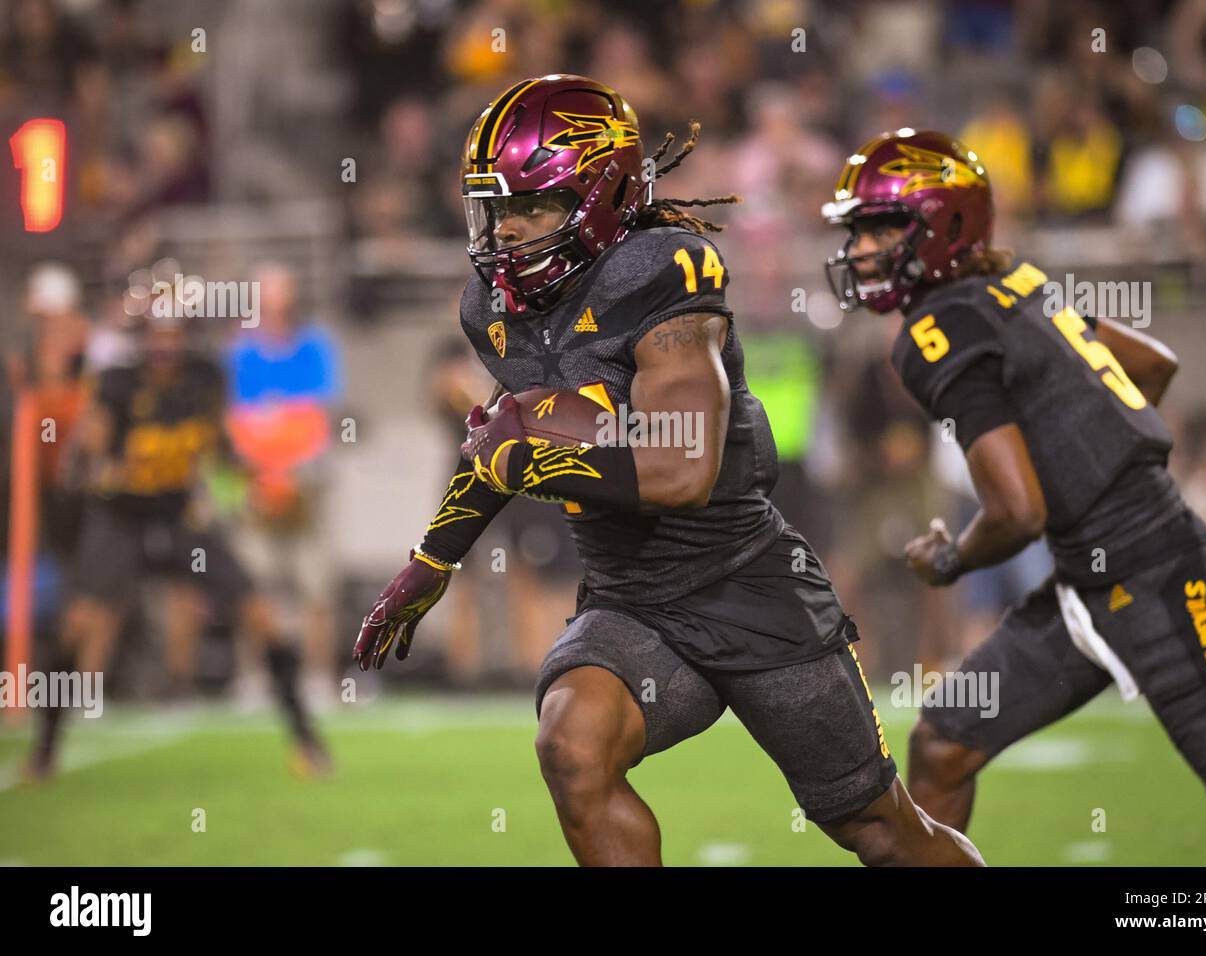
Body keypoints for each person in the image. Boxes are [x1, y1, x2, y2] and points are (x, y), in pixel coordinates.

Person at [351, 75, 982, 867]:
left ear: (600, 196)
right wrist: (431, 562)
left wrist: (536, 453)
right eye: (496, 207)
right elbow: (502, 443)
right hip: (629, 598)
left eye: (531, 207)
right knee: (572, 747)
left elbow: (683, 467)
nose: (506, 231)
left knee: (879, 829)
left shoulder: (661, 273)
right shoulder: (493, 305)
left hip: (745, 585)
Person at [821, 129, 1206, 850]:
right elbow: (1153, 365)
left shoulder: (937, 327)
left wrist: (952, 557)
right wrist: (1086, 453)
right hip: (1090, 581)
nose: (861, 249)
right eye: (857, 230)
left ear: (944, 225)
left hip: (1155, 574)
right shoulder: (1015, 286)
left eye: (881, 226)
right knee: (943, 745)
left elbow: (1015, 513)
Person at [24, 307, 329, 780]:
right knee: (78, 624)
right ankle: (44, 750)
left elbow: (220, 449)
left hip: (181, 513)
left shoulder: (204, 378)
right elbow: (85, 458)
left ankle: (307, 742)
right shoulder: (116, 384)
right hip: (121, 516)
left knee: (260, 616)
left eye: (173, 334)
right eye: (156, 334)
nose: (165, 345)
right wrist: (97, 464)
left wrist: (257, 481)